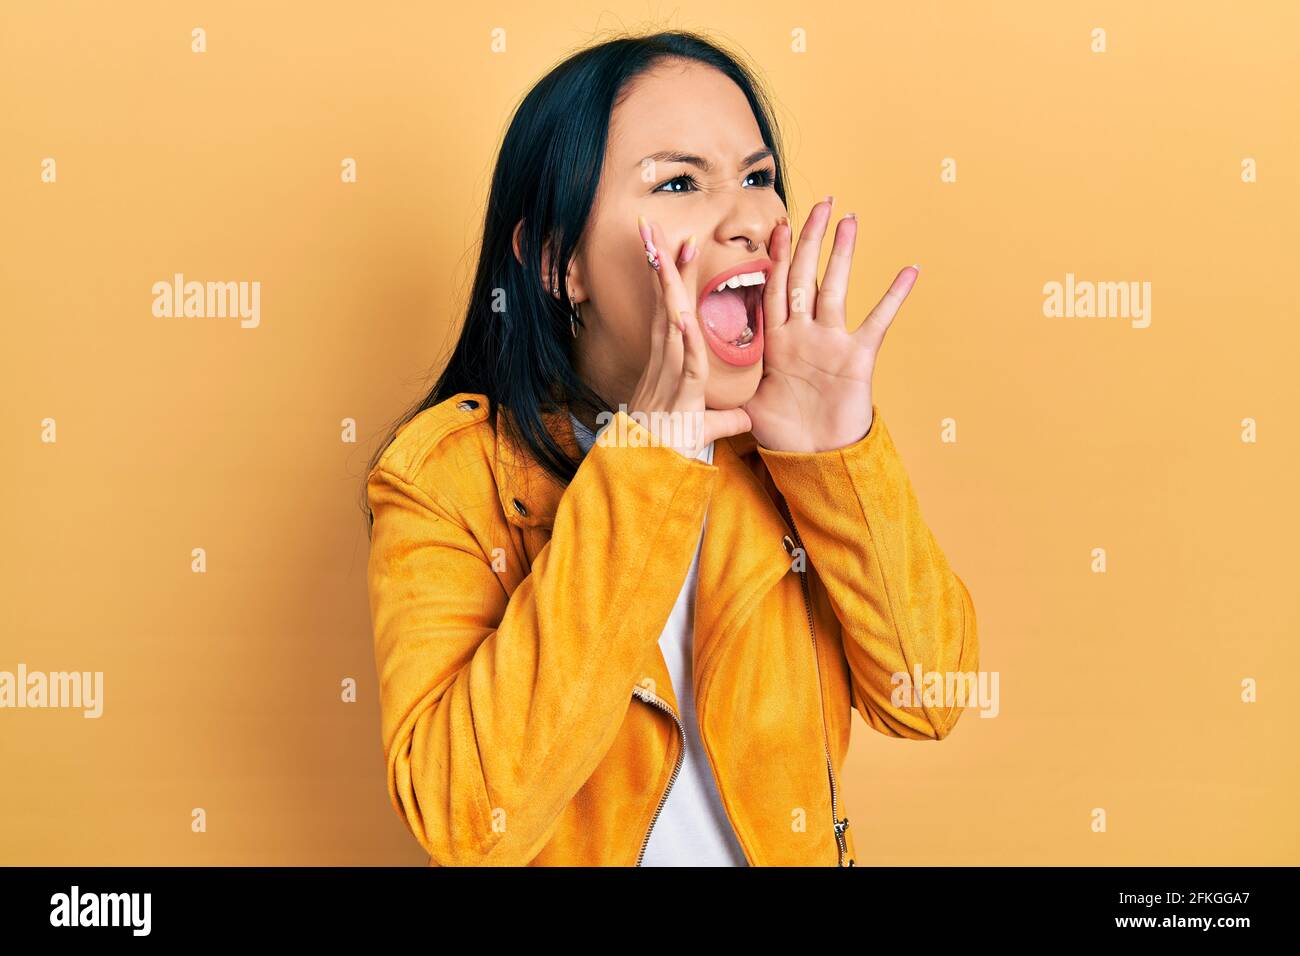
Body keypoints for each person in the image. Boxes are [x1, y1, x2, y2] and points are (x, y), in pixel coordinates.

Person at [362, 30, 978, 867]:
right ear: (557, 262)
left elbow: (927, 699)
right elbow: (468, 819)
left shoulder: (783, 453)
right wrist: (646, 463)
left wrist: (836, 455)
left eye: (758, 177)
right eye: (680, 182)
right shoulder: (445, 479)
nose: (751, 220)